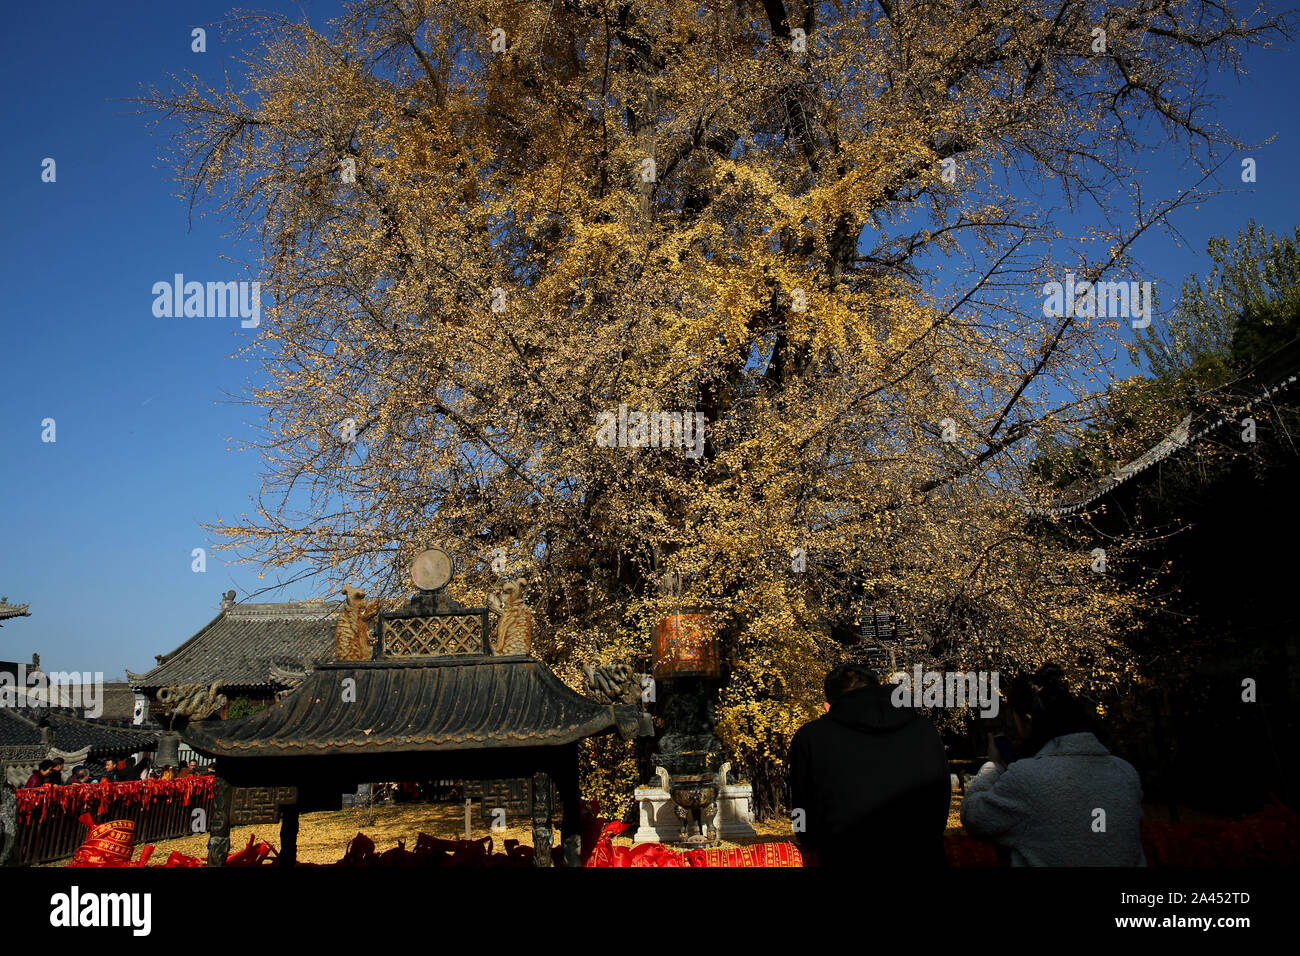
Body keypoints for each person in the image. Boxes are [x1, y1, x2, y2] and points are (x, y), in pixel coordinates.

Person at [961, 664, 1146, 866]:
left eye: (1017, 723)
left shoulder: (1027, 779)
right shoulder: (1126, 773)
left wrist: (993, 767)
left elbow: (973, 815)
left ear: (1028, 720)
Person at [789, 662, 951, 867]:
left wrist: (808, 840)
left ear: (828, 706)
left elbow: (801, 807)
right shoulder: (924, 728)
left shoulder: (810, 737)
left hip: (846, 857)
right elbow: (941, 794)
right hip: (924, 855)